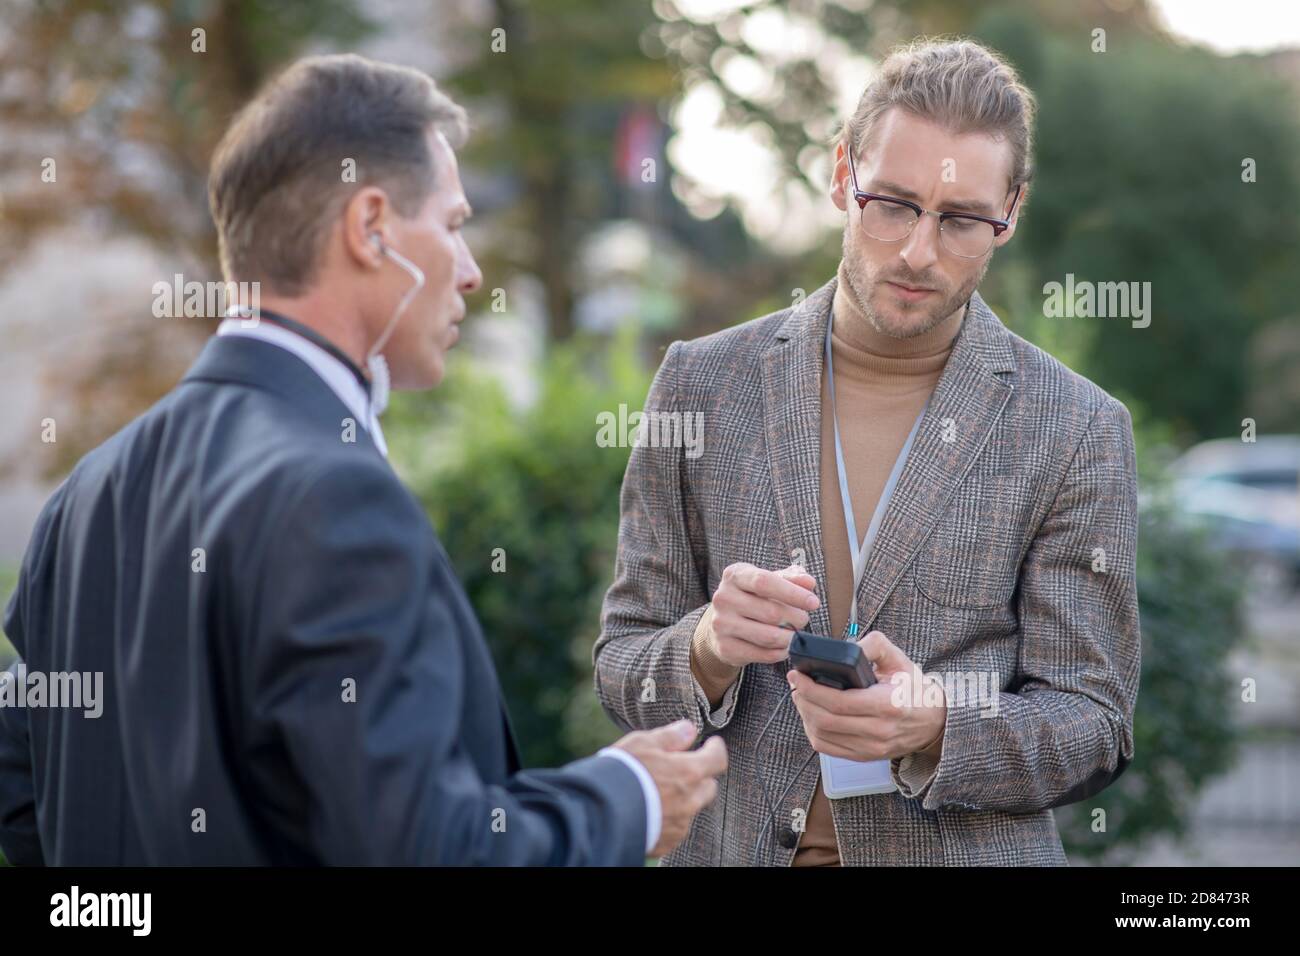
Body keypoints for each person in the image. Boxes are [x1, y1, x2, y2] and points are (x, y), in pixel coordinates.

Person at [0, 53, 725, 866]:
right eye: (453, 225)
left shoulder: (84, 493)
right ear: (371, 226)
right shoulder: (334, 496)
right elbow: (423, 851)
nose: (471, 269)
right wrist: (622, 800)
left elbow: (29, 797)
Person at [595, 38, 1139, 866]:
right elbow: (622, 671)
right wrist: (705, 645)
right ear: (843, 172)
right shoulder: (699, 385)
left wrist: (937, 725)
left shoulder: (1077, 427)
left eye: (960, 220)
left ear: (1012, 212)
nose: (920, 252)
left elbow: (1094, 724)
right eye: (893, 203)